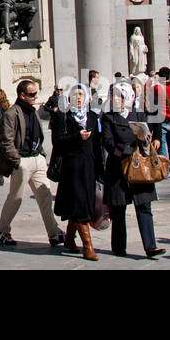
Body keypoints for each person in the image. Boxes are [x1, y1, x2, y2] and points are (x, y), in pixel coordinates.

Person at [0, 81, 64, 248]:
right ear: (22, 95)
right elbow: (6, 140)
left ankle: (53, 233)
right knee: (16, 197)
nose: (35, 97)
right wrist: (17, 161)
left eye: (36, 93)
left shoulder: (33, 111)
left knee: (45, 195)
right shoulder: (11, 113)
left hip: (37, 158)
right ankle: (3, 230)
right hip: (22, 161)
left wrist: (42, 154)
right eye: (32, 94)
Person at [100, 82, 166, 258]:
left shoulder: (138, 114)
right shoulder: (108, 117)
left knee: (144, 206)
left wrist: (144, 140)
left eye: (118, 96)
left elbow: (149, 138)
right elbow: (108, 143)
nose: (115, 99)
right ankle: (119, 247)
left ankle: (150, 246)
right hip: (118, 169)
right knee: (119, 209)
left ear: (127, 97)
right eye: (112, 95)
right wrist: (127, 148)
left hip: (140, 168)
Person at [52, 82, 102, 260]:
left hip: (88, 167)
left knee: (81, 203)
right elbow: (57, 142)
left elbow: (97, 145)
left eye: (81, 94)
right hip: (71, 167)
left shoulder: (92, 117)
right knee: (80, 205)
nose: (78, 98)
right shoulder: (63, 117)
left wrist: (100, 170)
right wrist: (76, 137)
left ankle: (69, 239)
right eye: (75, 95)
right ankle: (88, 247)